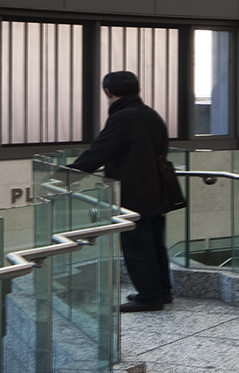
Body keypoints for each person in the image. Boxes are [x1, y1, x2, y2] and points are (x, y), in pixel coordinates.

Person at [71, 70, 177, 312]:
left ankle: (149, 297)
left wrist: (64, 176)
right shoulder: (150, 114)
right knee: (154, 244)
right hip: (156, 190)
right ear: (138, 89)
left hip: (133, 192)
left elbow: (99, 151)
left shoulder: (123, 117)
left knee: (136, 245)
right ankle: (162, 291)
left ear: (107, 92)